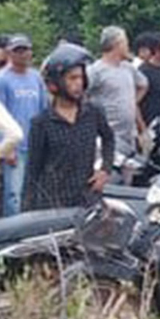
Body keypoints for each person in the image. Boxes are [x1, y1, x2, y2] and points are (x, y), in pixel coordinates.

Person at [23, 43, 113, 211]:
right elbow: (32, 171)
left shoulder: (93, 112)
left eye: (80, 77)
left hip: (86, 198)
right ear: (54, 84)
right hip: (53, 204)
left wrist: (105, 170)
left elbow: (109, 138)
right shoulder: (41, 122)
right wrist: (27, 210)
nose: (78, 83)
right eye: (72, 78)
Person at [0, 35, 49, 215]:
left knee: (34, 191)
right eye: (17, 50)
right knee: (14, 193)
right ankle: (12, 233)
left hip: (35, 144)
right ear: (9, 53)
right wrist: (7, 148)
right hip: (15, 147)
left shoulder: (36, 78)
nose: (22, 54)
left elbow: (45, 110)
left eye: (25, 50)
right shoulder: (2, 79)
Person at [86, 26, 148, 165]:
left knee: (128, 174)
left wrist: (132, 102)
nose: (128, 46)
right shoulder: (96, 70)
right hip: (106, 136)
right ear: (116, 44)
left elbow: (143, 85)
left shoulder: (128, 68)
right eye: (125, 42)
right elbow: (80, 93)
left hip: (128, 136)